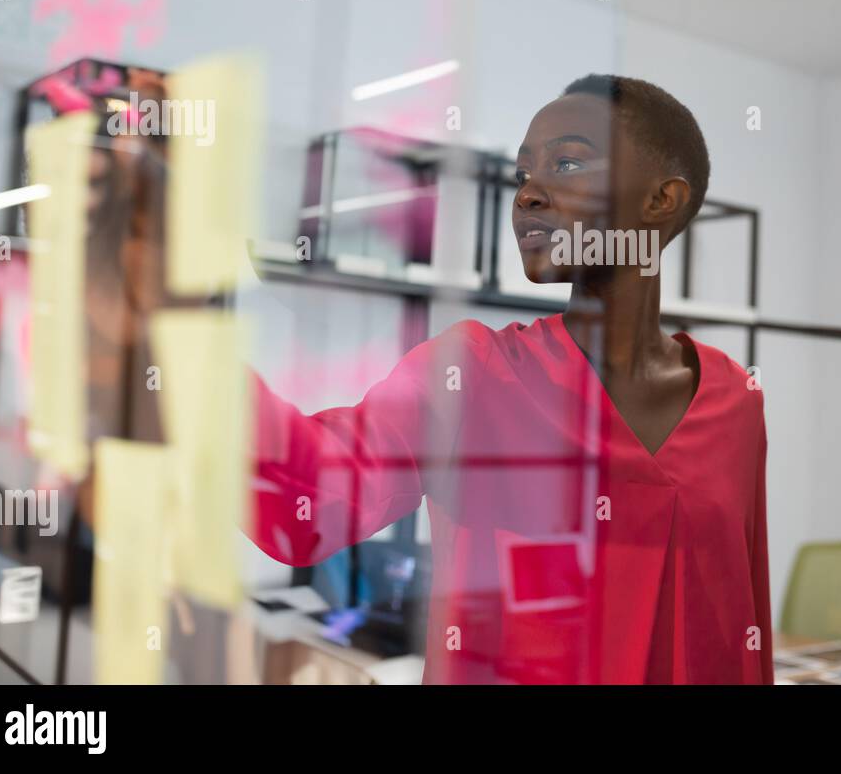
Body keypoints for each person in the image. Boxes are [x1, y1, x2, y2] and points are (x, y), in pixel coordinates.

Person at [250, 74, 772, 683]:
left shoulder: (734, 398)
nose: (526, 195)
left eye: (569, 162)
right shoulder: (471, 373)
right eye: (525, 174)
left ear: (662, 201)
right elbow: (309, 500)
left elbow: (742, 615)